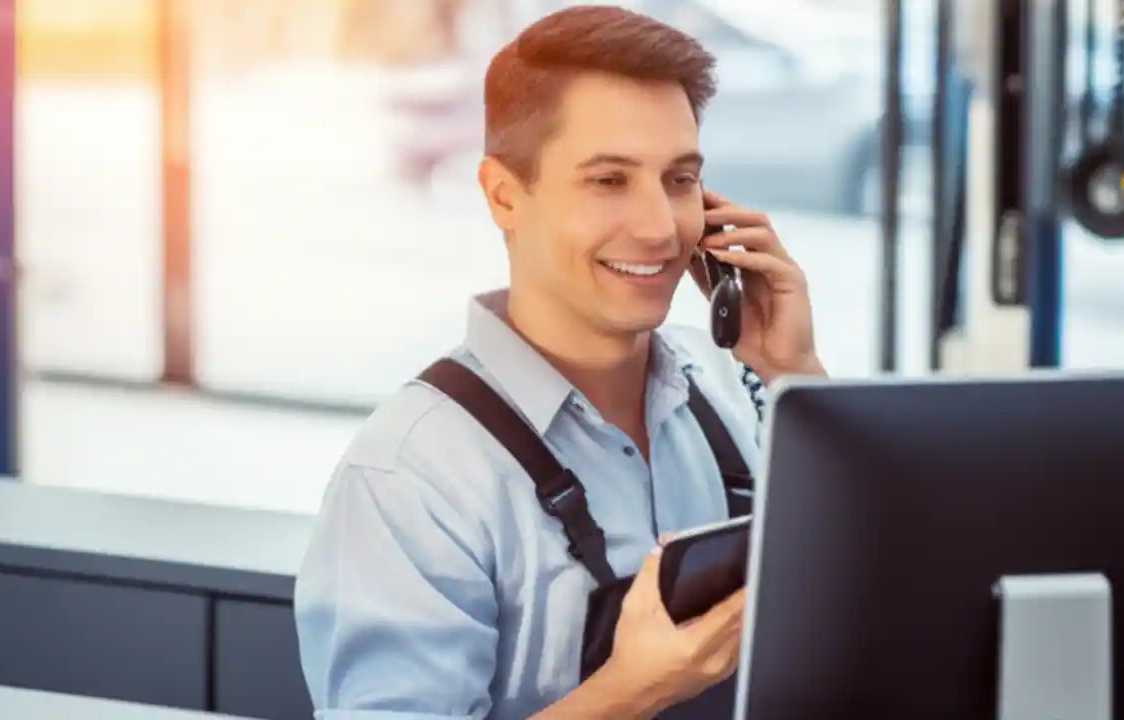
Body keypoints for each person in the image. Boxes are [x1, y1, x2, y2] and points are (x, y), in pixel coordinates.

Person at [295, 5, 826, 718]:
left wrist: (794, 372)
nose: (660, 227)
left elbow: (869, 596)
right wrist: (633, 692)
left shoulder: (734, 388)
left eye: (679, 180)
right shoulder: (410, 478)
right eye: (609, 181)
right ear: (503, 195)